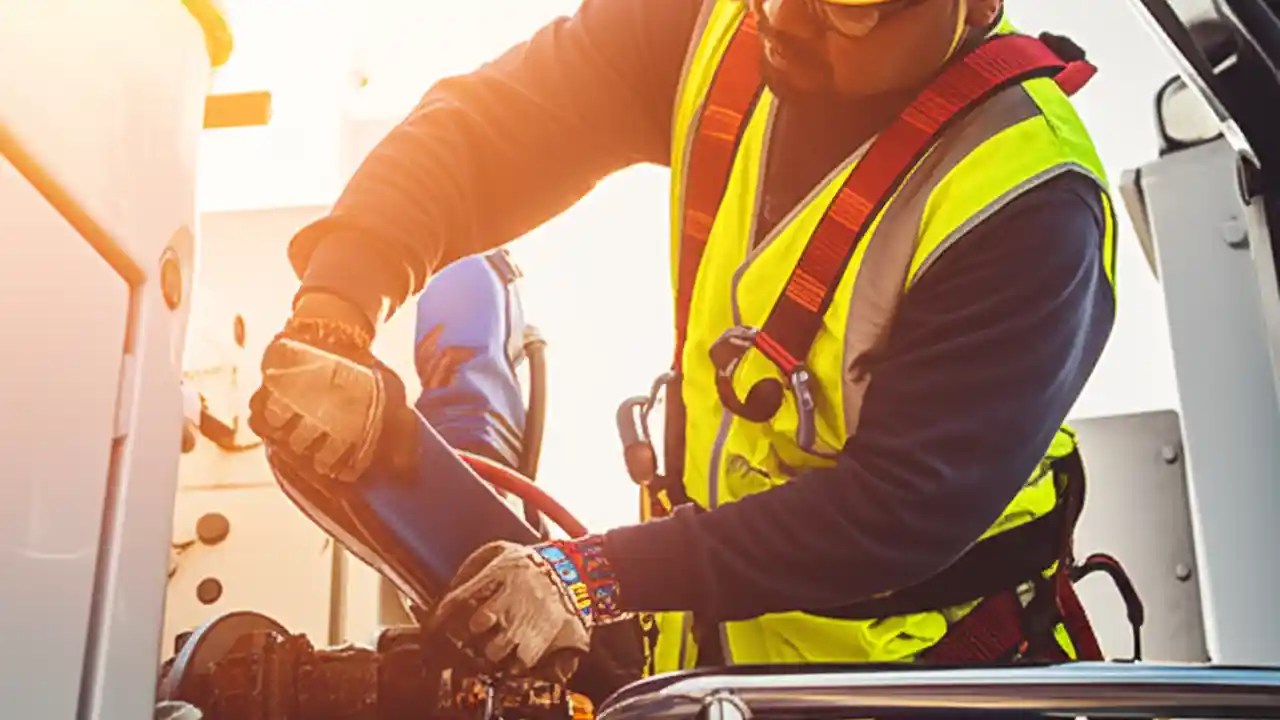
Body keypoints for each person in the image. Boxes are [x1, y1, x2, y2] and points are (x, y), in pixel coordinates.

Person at [249, 0, 1120, 691]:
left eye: (851, 4)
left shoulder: (1028, 200)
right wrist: (337, 306)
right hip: (711, 667)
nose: (791, 18)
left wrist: (595, 576)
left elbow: (897, 508)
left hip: (915, 685)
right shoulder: (721, 23)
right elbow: (486, 132)